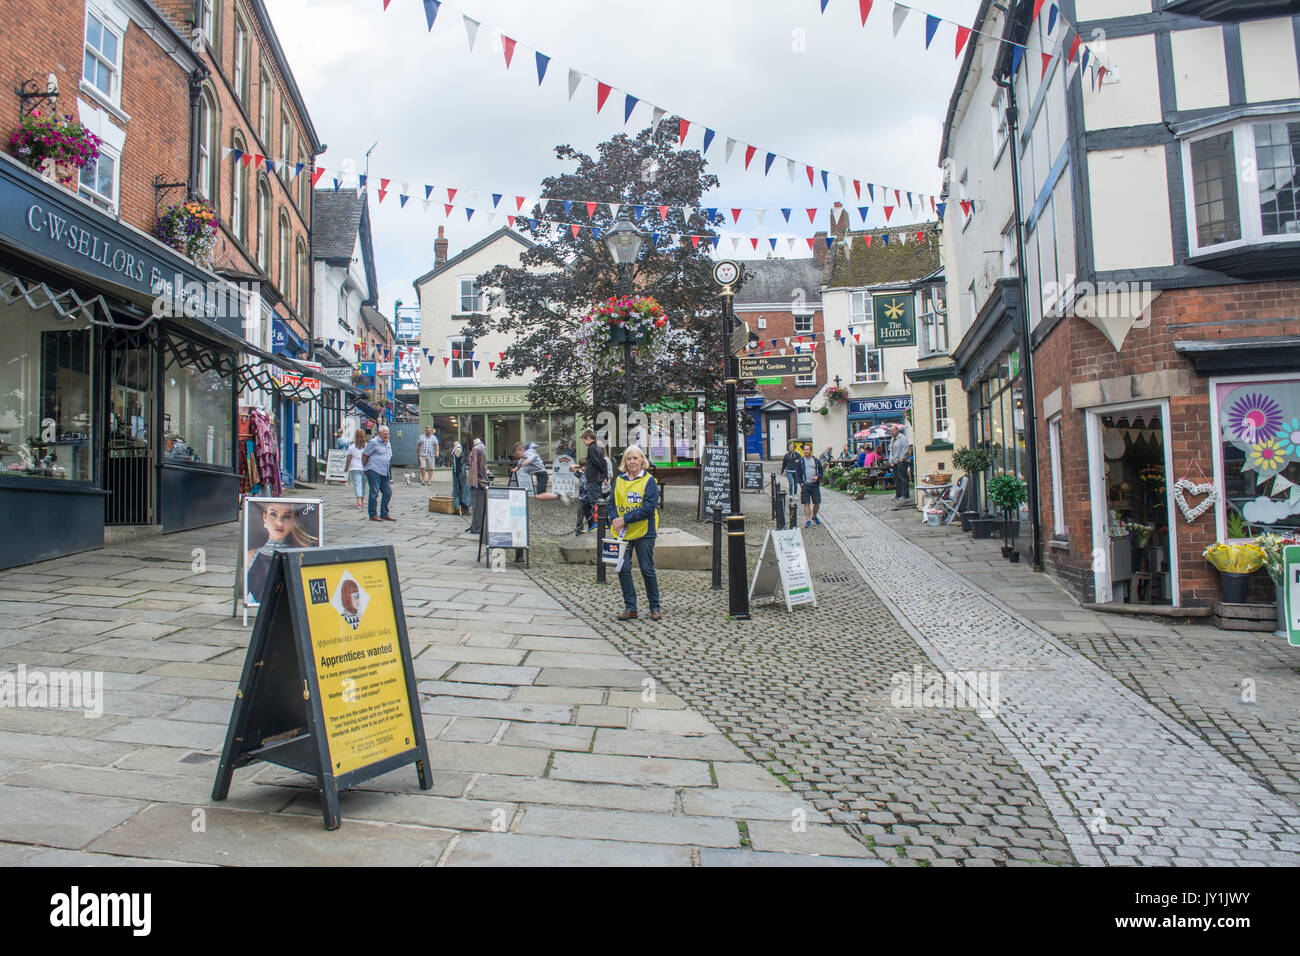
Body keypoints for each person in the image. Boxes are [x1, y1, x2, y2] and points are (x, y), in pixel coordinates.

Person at [608, 444, 661, 621]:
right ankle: (631, 607)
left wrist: (625, 519)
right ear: (624, 462)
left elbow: (648, 508)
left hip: (644, 532)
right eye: (628, 459)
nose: (632, 462)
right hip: (623, 534)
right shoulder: (619, 480)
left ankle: (655, 607)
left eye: (635, 458)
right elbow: (612, 503)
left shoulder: (649, 481)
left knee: (647, 569)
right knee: (623, 569)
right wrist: (615, 518)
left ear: (642, 461)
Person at [245, 501, 319, 603]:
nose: (279, 523)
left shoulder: (302, 554)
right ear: (264, 517)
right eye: (273, 514)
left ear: (293, 521)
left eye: (287, 517)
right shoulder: (251, 555)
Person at [572, 428, 607, 534]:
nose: (584, 443)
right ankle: (602, 522)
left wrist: (601, 471)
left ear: (588, 438)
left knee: (594, 500)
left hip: (593, 478)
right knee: (598, 499)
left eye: (584, 440)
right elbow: (603, 462)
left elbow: (596, 462)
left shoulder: (591, 448)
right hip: (597, 478)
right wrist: (604, 475)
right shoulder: (599, 448)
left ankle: (598, 522)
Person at [362, 425, 394, 521]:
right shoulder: (373, 442)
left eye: (388, 434)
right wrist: (365, 468)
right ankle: (373, 514)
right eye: (384, 434)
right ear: (379, 434)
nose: (386, 435)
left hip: (384, 470)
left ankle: (384, 513)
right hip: (374, 469)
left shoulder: (387, 443)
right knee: (374, 492)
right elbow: (365, 455)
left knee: (388, 491)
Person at [467, 436, 490, 535]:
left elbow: (480, 467)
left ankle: (476, 527)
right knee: (478, 506)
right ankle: (476, 527)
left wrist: (481, 480)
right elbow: (483, 466)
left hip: (477, 482)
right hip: (477, 482)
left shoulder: (477, 449)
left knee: (477, 506)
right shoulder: (481, 448)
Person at [800, 442, 824, 527]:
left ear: (811, 451)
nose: (806, 451)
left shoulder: (815, 460)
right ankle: (807, 519)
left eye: (808, 449)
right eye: (805, 450)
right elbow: (797, 472)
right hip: (805, 484)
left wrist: (818, 477)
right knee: (806, 503)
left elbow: (821, 471)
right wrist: (801, 482)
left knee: (816, 502)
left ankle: (814, 516)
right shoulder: (801, 461)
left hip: (814, 484)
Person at [889, 423, 913, 508]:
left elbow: (905, 448)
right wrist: (891, 460)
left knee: (902, 477)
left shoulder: (902, 438)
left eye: (894, 430)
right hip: (895, 461)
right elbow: (891, 451)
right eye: (891, 431)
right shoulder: (892, 439)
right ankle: (898, 494)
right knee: (896, 478)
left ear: (897, 430)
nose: (893, 432)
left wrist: (902, 458)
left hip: (902, 460)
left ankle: (905, 494)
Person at [345, 428, 367, 509]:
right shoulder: (367, 446)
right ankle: (362, 500)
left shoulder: (351, 446)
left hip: (354, 467)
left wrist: (346, 468)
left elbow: (349, 458)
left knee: (358, 484)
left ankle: (359, 502)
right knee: (363, 485)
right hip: (364, 467)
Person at [450, 441, 472, 516]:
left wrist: (456, 474)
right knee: (460, 489)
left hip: (460, 472)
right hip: (459, 471)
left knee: (462, 489)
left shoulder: (458, 448)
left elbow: (457, 463)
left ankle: (465, 507)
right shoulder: (457, 448)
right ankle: (461, 507)